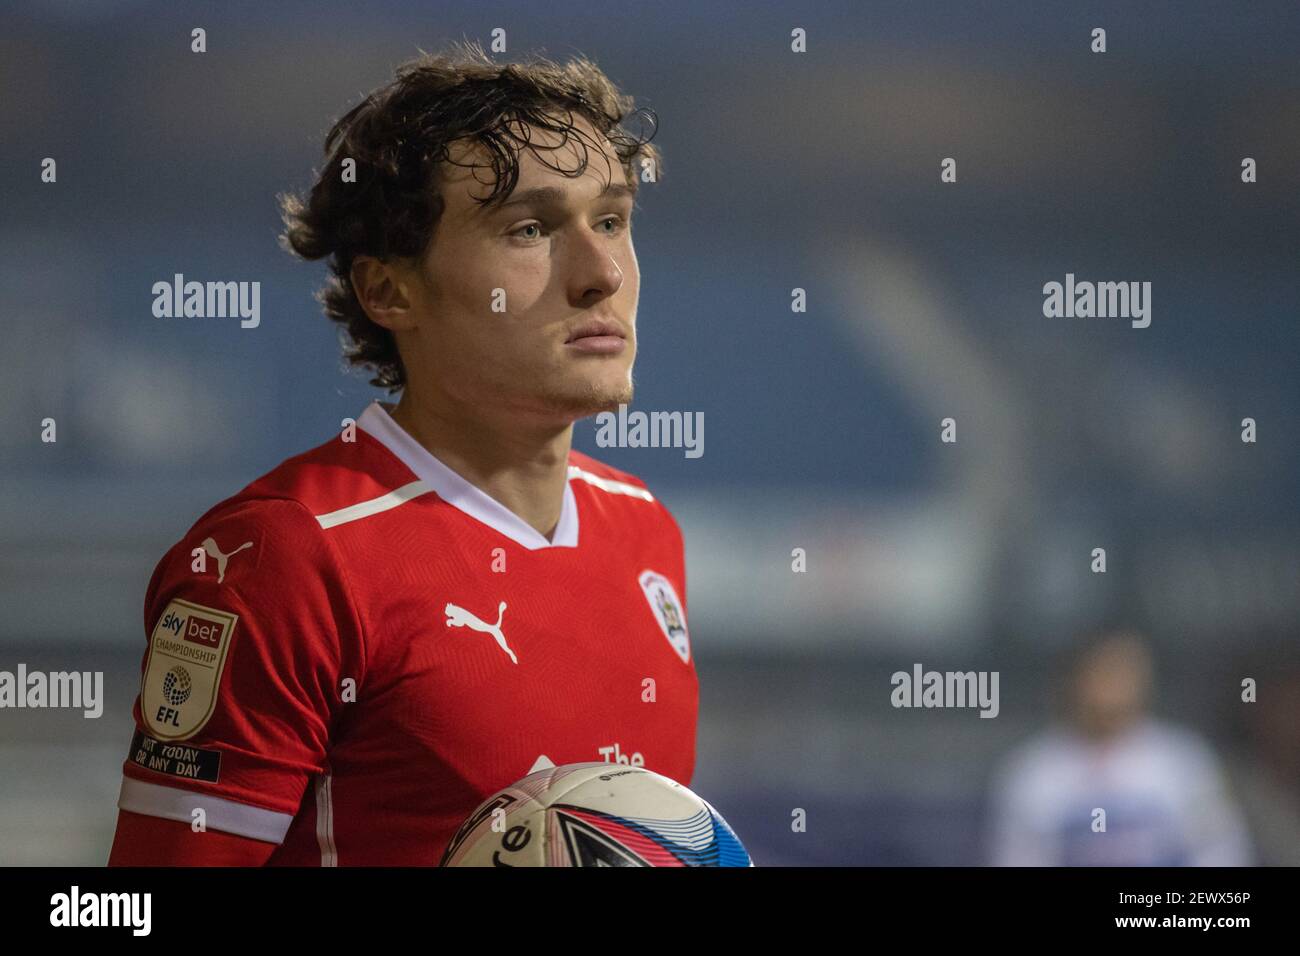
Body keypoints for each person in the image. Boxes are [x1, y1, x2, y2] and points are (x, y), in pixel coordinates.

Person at [108, 41, 696, 865]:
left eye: (611, 219)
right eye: (530, 228)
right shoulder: (283, 558)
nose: (601, 272)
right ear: (389, 290)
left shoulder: (646, 532)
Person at [988, 630, 1251, 866]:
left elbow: (1220, 853)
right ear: (1077, 679)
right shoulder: (1034, 769)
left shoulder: (1182, 759)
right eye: (1104, 672)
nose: (1114, 686)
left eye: (1125, 672)